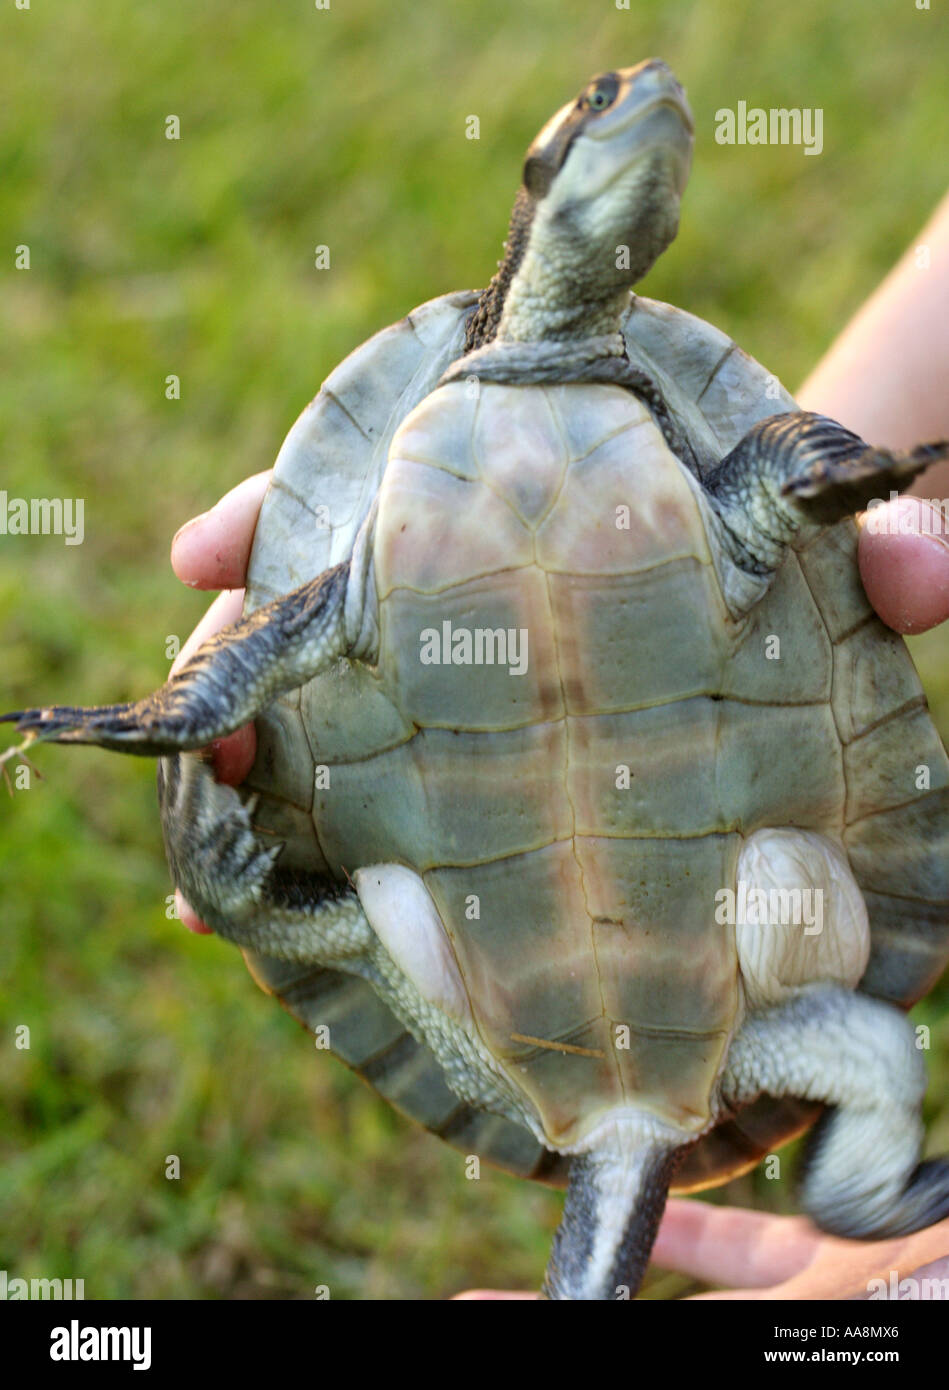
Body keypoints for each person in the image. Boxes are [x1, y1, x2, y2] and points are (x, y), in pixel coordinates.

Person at [167, 194, 949, 1296]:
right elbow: (767, 490)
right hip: (697, 991)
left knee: (352, 909)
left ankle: (860, 1189)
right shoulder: (699, 496)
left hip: (554, 992)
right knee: (861, 1048)